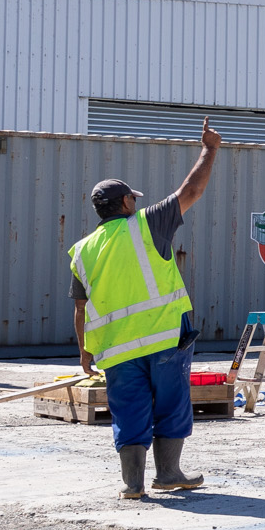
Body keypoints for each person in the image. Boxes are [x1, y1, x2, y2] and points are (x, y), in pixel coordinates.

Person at [71, 120, 219, 499]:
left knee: (128, 410)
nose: (135, 203)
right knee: (171, 405)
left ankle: (132, 485)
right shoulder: (146, 223)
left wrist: (85, 350)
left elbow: (80, 307)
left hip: (117, 347)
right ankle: (168, 474)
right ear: (125, 203)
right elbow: (192, 190)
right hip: (164, 337)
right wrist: (209, 149)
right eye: (132, 199)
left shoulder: (84, 250)